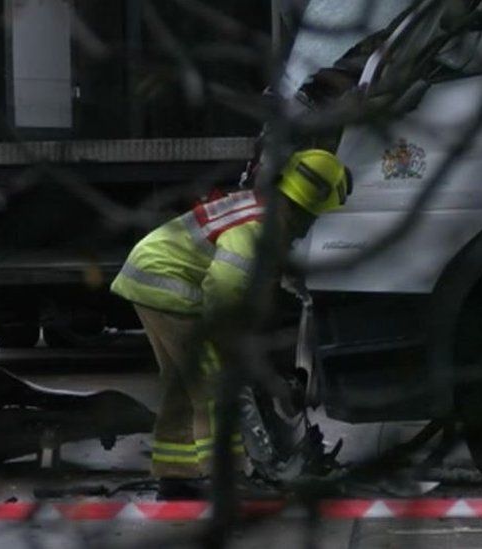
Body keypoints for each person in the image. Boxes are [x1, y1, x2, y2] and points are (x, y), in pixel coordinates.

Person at [110, 149, 352, 499]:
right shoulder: (255, 231)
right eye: (313, 216)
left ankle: (176, 475)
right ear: (304, 208)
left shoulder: (263, 210)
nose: (310, 225)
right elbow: (223, 290)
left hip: (149, 277)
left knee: (183, 387)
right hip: (169, 287)